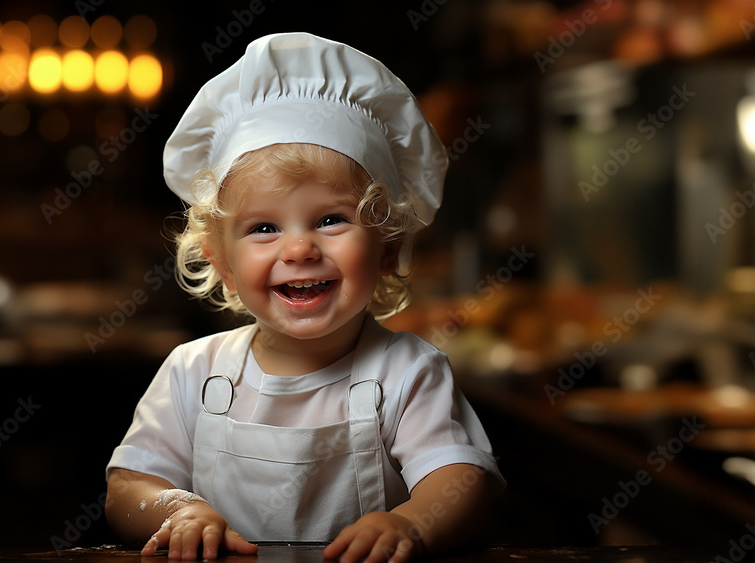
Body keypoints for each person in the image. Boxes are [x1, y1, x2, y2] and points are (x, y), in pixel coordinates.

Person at [105, 32, 504, 563]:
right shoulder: (192, 372)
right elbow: (128, 488)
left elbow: (461, 480)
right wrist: (176, 510)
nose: (299, 247)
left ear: (388, 248)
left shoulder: (408, 371)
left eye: (331, 219)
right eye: (263, 227)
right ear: (220, 261)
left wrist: (411, 523)